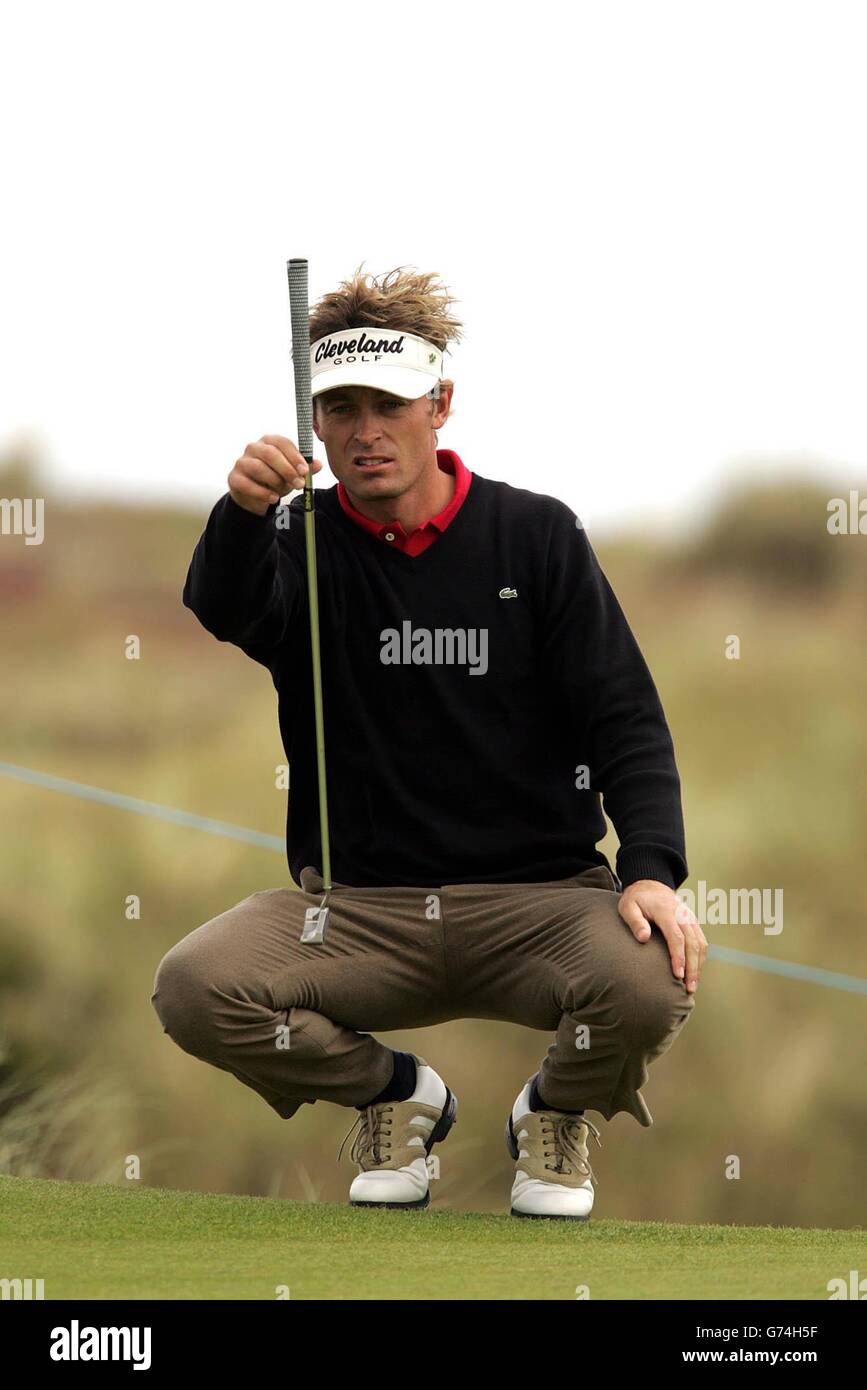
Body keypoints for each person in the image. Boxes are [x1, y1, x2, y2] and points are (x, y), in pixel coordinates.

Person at [151, 264, 707, 1219]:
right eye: (341, 407)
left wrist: (651, 867)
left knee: (652, 975)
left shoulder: (536, 536)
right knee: (196, 986)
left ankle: (557, 1113)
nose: (366, 431)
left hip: (539, 904)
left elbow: (623, 717)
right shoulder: (296, 537)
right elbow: (226, 606)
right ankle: (395, 1096)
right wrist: (244, 512)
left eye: (391, 404)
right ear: (314, 423)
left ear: (440, 404)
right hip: (357, 912)